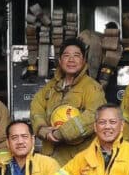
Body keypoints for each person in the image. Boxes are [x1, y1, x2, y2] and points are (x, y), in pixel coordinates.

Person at [31, 38, 107, 166]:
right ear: (60, 61)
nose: (71, 60)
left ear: (84, 61)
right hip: (50, 159)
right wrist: (43, 130)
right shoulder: (50, 87)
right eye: (66, 56)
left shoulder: (92, 88)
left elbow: (93, 116)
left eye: (76, 55)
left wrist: (61, 133)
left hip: (79, 160)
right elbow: (36, 109)